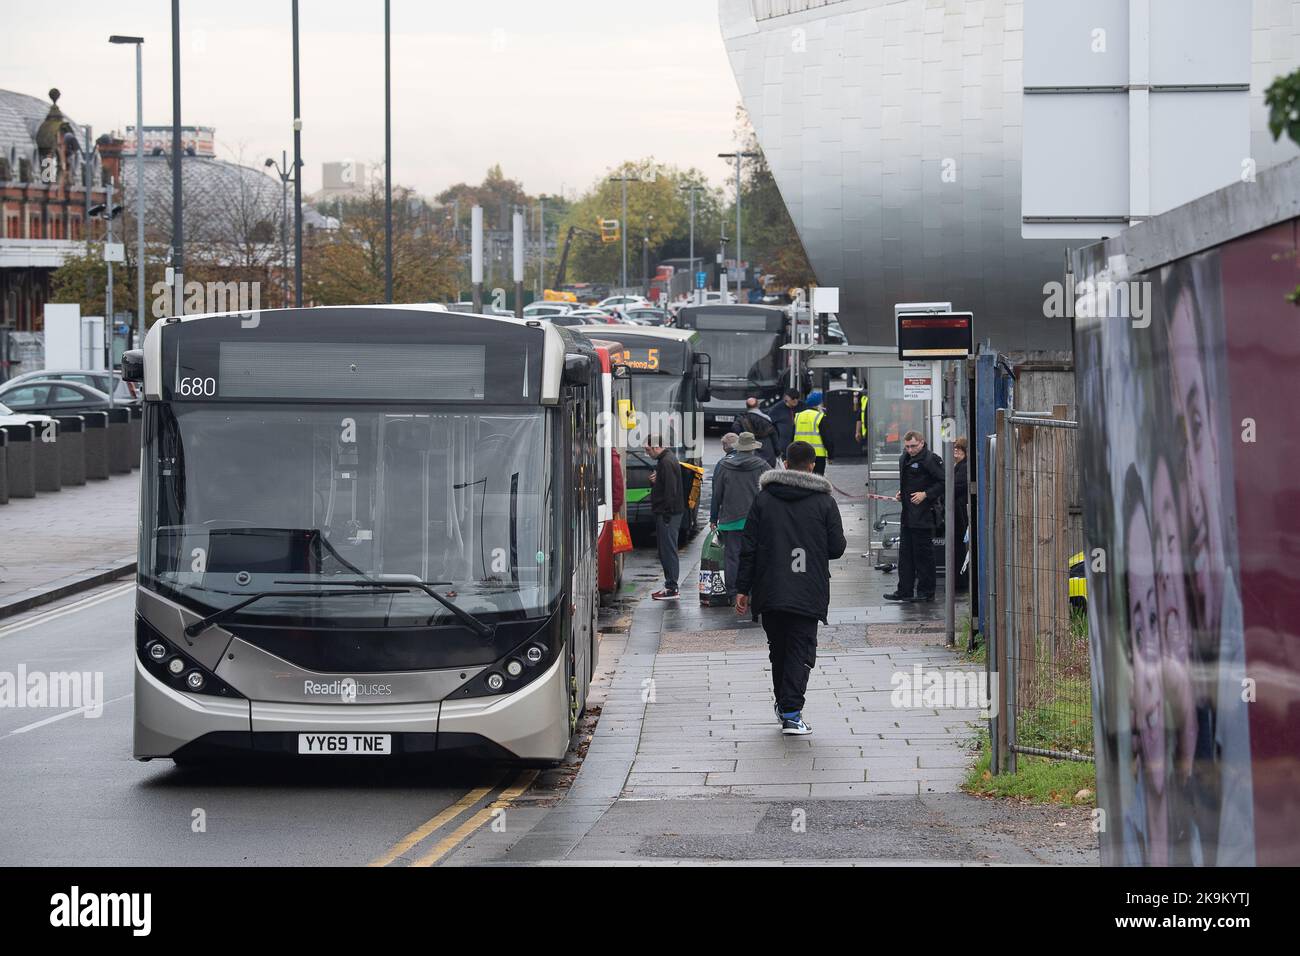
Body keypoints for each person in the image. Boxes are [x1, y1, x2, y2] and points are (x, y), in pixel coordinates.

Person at [735, 440, 846, 735]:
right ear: (811, 465)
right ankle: (792, 713)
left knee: (779, 650)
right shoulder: (824, 502)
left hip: (770, 589)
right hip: (807, 589)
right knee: (800, 651)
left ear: (784, 463)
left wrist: (742, 589)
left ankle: (784, 704)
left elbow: (749, 547)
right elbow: (836, 548)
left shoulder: (763, 499)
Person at [885, 430, 944, 603]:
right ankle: (904, 590)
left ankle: (926, 592)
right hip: (908, 514)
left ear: (922, 443)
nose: (910, 450)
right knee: (905, 555)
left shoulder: (930, 459)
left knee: (923, 556)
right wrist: (901, 494)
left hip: (924, 514)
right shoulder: (905, 459)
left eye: (913, 446)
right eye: (907, 447)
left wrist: (926, 494)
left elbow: (943, 481)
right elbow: (907, 482)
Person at [712, 431, 767, 604]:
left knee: (732, 556)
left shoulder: (724, 465)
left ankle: (733, 593)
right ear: (752, 449)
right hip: (755, 520)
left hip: (730, 520)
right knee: (755, 554)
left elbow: (717, 494)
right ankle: (752, 591)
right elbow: (770, 491)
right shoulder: (762, 465)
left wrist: (713, 518)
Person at [646, 436, 684, 600]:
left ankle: (672, 588)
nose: (647, 454)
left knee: (668, 550)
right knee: (666, 549)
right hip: (668, 512)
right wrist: (655, 482)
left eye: (647, 450)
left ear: (655, 447)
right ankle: (670, 585)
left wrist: (666, 514)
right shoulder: (665, 460)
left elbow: (670, 491)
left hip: (668, 514)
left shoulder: (666, 462)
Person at [793, 389, 834, 475]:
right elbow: (827, 439)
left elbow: (791, 436)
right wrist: (831, 456)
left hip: (799, 454)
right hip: (817, 456)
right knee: (817, 482)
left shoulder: (798, 416)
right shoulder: (820, 417)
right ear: (818, 404)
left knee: (802, 480)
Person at [729, 397, 779, 466]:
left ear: (747, 406)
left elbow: (735, 429)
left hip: (749, 456)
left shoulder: (742, 419)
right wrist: (777, 452)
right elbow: (774, 437)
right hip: (768, 455)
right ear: (758, 405)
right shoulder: (767, 419)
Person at [953, 437, 969, 592]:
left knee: (960, 546)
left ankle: (961, 581)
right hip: (958, 511)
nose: (956, 450)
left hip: (960, 512)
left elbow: (956, 487)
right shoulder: (959, 466)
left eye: (959, 448)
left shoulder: (963, 467)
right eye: (955, 448)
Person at [769, 388, 803, 452]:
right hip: (784, 447)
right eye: (793, 398)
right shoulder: (776, 409)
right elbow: (770, 427)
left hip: (800, 446)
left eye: (797, 397)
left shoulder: (802, 406)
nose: (795, 400)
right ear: (786, 398)